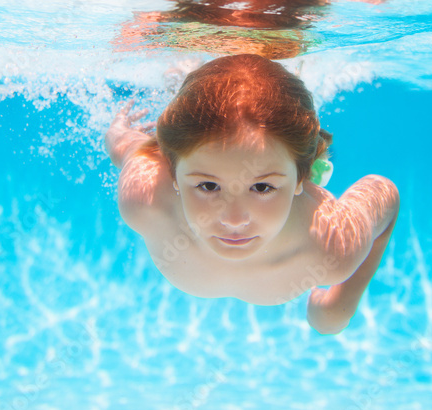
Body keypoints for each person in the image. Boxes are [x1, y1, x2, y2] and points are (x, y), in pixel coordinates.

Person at [105, 54, 399, 335]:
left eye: (261, 187)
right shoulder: (144, 200)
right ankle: (185, 77)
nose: (234, 220)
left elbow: (385, 193)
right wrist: (118, 130)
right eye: (208, 186)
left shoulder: (331, 246)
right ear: (172, 173)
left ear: (302, 177)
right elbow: (125, 145)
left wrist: (337, 309)